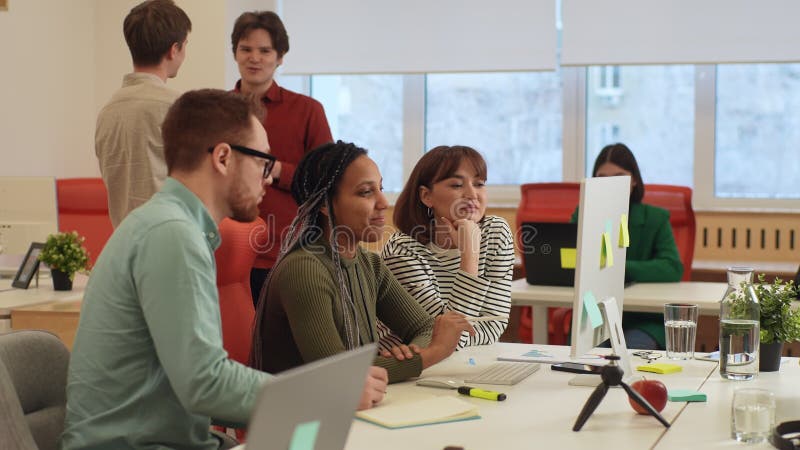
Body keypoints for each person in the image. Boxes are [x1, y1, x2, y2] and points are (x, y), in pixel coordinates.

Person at [61, 90, 386, 450]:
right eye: (263, 162)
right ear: (222, 157)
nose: (267, 178)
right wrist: (326, 394)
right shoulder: (172, 234)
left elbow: (196, 385)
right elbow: (205, 384)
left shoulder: (167, 225)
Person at [251, 141, 475, 384]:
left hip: (353, 407)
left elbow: (425, 328)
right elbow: (337, 373)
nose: (383, 202)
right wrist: (432, 353)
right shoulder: (304, 269)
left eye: (380, 188)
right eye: (366, 192)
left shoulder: (369, 264)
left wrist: (408, 355)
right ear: (326, 205)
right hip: (304, 417)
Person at [230, 11, 333, 306]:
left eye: (265, 51)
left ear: (280, 57)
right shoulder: (217, 111)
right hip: (226, 251)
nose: (254, 58)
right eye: (246, 49)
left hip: (288, 250)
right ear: (235, 53)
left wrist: (274, 169)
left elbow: (325, 180)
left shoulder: (308, 110)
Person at [378, 146, 514, 350]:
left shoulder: (496, 232)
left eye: (479, 184)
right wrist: (470, 256)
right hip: (408, 368)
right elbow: (441, 340)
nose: (472, 194)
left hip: (468, 360)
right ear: (426, 196)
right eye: (457, 185)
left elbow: (495, 323)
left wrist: (459, 340)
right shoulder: (402, 251)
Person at [573, 143, 683, 349]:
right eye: (602, 178)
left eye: (618, 177)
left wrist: (616, 267)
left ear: (633, 181)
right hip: (596, 316)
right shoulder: (583, 214)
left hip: (643, 319)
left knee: (625, 359)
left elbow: (672, 268)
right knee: (588, 361)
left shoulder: (655, 218)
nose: (609, 184)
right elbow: (572, 261)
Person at [96, 0, 192, 227]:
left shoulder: (107, 112)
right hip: (170, 240)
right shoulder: (179, 108)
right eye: (185, 45)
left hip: (123, 243)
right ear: (174, 49)